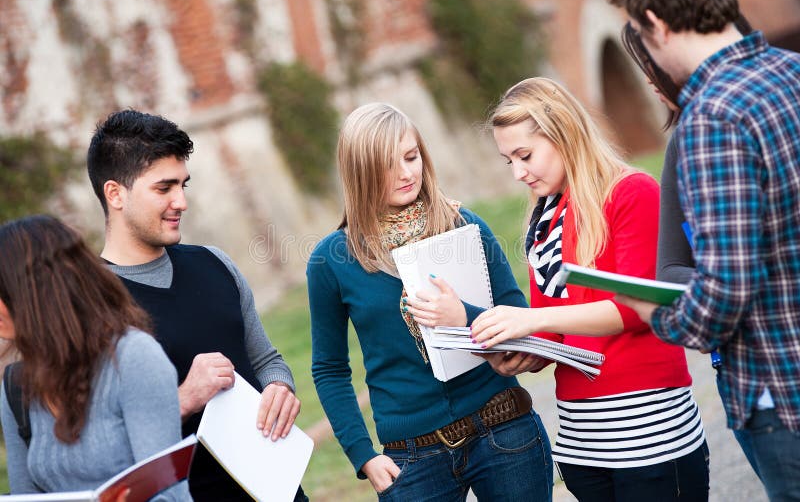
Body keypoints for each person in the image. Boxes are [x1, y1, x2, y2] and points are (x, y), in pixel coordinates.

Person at [606, 0, 800, 499]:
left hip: (779, 393)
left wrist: (654, 312)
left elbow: (727, 292)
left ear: (655, 23)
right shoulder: (793, 71)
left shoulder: (711, 117)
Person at [469, 77, 709, 501]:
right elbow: (557, 323)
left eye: (525, 155)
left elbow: (638, 308)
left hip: (648, 433)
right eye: (510, 161)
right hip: (582, 441)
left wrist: (531, 318)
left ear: (563, 132)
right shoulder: (541, 219)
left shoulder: (631, 192)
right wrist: (526, 350)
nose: (520, 172)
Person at [307, 102, 553, 501]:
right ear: (361, 171)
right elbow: (330, 368)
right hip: (412, 459)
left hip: (505, 431)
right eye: (388, 164)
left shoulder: (465, 225)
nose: (406, 173)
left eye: (411, 156)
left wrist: (464, 318)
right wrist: (362, 454)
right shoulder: (331, 259)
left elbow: (516, 318)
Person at [86, 109, 305, 501]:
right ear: (115, 194)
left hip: (281, 489)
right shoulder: (89, 304)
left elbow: (268, 361)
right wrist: (185, 397)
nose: (181, 201)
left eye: (184, 185)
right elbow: (96, 442)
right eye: (164, 188)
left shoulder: (216, 263)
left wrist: (279, 387)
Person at [620, 18, 763, 480]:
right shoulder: (683, 143)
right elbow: (671, 267)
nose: (648, 78)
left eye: (650, 63)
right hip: (743, 369)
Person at [0, 215, 190, 499]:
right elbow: (24, 497)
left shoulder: (134, 358)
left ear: (32, 294)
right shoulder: (16, 387)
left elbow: (169, 494)